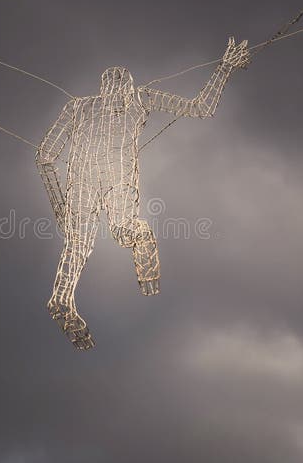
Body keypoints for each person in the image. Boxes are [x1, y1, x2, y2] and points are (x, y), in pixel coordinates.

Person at [36, 37, 251, 350]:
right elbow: (200, 108)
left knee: (80, 244)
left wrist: (59, 206)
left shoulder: (87, 106)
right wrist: (224, 69)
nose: (114, 92)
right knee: (123, 233)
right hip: (102, 182)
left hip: (92, 183)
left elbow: (44, 157)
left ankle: (64, 298)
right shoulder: (126, 100)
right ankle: (133, 275)